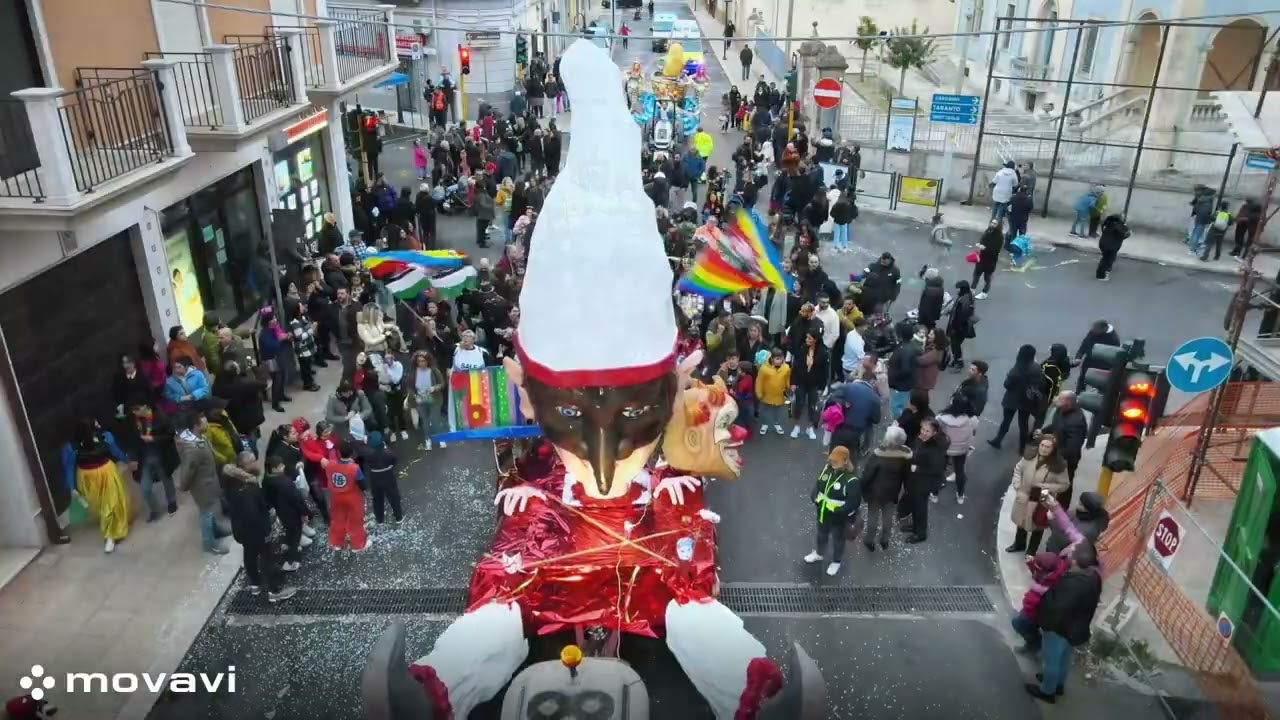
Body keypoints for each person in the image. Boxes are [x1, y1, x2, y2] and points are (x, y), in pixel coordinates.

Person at [1027, 542, 1103, 703]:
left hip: (1058, 628)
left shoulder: (1071, 583)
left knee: (1051, 661)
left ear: (1074, 561)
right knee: (1064, 658)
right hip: (1076, 628)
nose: (1066, 553)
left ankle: (1047, 691)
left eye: (1070, 552)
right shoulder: (1093, 577)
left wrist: (1044, 622)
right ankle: (1058, 684)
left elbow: (1055, 607)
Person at [224, 452, 298, 602]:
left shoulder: (232, 483)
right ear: (245, 466)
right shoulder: (247, 489)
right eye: (253, 461)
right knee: (268, 558)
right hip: (256, 530)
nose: (256, 463)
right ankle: (275, 590)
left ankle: (255, 583)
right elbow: (252, 514)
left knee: (249, 554)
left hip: (241, 529)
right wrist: (265, 531)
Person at [62, 420, 131, 552]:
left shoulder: (105, 437)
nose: (99, 425)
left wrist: (127, 461)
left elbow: (115, 451)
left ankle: (110, 536)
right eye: (95, 424)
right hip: (88, 480)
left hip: (107, 474)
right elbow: (69, 468)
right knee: (99, 505)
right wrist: (71, 488)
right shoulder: (72, 447)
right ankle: (110, 525)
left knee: (110, 504)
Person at [1005, 434, 1070, 556]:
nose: (1044, 449)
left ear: (1053, 449)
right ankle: (1019, 544)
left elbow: (1064, 485)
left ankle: (1031, 551)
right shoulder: (1029, 456)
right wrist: (1017, 485)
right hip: (1024, 495)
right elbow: (1018, 469)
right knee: (1021, 521)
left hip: (1042, 500)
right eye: (1042, 445)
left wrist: (1046, 486)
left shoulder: (1059, 465)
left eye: (1048, 447)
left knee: (1038, 526)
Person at [175, 414, 229, 555]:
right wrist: (183, 486)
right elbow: (188, 470)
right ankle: (209, 544)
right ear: (196, 426)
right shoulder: (193, 449)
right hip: (203, 487)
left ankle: (216, 530)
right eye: (205, 423)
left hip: (209, 482)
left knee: (211, 511)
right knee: (206, 515)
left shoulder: (201, 438)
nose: (208, 425)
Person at [117, 399, 179, 521]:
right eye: (133, 410)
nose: (135, 412)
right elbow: (132, 442)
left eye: (137, 409)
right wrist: (132, 458)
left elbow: (170, 434)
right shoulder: (133, 422)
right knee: (145, 488)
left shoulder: (160, 417)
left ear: (145, 406)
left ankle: (172, 502)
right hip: (144, 459)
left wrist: (154, 439)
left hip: (161, 455)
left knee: (166, 480)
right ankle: (154, 509)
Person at [803, 445, 860, 576]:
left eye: (835, 460)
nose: (831, 462)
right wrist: (814, 497)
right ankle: (819, 553)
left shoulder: (851, 480)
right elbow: (818, 485)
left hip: (838, 519)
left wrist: (837, 511)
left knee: (838, 540)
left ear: (845, 461)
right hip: (822, 513)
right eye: (831, 459)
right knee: (821, 535)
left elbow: (853, 504)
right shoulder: (827, 469)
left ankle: (836, 561)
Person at [859, 425, 912, 551]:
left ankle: (869, 540)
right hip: (892, 491)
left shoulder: (878, 455)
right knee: (888, 516)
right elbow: (907, 474)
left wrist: (861, 487)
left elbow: (867, 475)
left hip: (875, 492)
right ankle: (885, 539)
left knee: (873, 517)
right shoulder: (905, 455)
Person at [261, 453, 313, 571]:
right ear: (274, 468)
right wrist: (305, 513)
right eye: (280, 466)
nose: (283, 467)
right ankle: (290, 562)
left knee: (289, 529)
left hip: (281, 511)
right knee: (296, 535)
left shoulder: (266, 480)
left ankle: (286, 544)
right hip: (292, 513)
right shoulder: (285, 482)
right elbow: (297, 500)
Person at [900, 418, 948, 543]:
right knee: (915, 505)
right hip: (916, 480)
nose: (923, 432)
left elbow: (936, 468)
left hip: (924, 483)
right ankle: (915, 526)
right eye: (923, 429)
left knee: (920, 508)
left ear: (934, 432)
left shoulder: (935, 448)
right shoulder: (922, 439)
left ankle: (921, 533)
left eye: (927, 431)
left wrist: (917, 468)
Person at [989, 344, 1042, 453]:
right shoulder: (1036, 368)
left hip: (1012, 399)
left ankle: (998, 439)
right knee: (1023, 424)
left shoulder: (1017, 369)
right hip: (1027, 400)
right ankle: (1022, 448)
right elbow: (1040, 383)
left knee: (1006, 420)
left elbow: (1007, 385)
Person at [1038, 391, 1088, 504]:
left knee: (1064, 485)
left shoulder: (1077, 422)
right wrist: (1042, 432)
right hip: (1057, 453)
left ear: (1067, 403)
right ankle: (1043, 503)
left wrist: (1054, 454)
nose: (1055, 399)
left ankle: (1062, 507)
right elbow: (1056, 426)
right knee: (1047, 480)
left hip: (1067, 460)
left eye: (1060, 398)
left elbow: (1073, 448)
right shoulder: (1061, 410)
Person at [327, 441, 371, 551]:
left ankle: (336, 543)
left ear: (338, 453)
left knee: (338, 518)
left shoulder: (330, 465)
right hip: (352, 496)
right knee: (355, 520)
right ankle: (357, 545)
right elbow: (362, 484)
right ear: (351, 454)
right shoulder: (354, 468)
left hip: (335, 496)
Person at [936, 398, 978, 504]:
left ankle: (935, 492)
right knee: (960, 471)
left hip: (945, 448)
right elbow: (974, 430)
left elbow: (936, 430)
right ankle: (960, 495)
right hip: (961, 449)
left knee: (940, 468)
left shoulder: (941, 418)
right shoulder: (972, 419)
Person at [788, 330, 828, 440]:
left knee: (812, 405)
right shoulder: (802, 349)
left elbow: (824, 372)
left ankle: (810, 427)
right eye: (806, 338)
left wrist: (822, 387)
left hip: (814, 383)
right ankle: (796, 427)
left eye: (809, 338)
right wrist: (793, 382)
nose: (806, 340)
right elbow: (795, 367)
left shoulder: (823, 353)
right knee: (799, 403)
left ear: (816, 340)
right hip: (801, 381)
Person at [359, 431, 402, 524]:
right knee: (393, 496)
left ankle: (380, 519)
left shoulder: (367, 455)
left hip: (375, 477)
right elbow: (394, 459)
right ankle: (398, 517)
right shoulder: (388, 454)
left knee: (377, 499)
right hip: (388, 476)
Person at [1072, 320, 1120, 395]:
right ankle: (1078, 393)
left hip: (1103, 363)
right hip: (1090, 359)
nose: (1093, 331)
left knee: (1100, 381)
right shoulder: (1093, 331)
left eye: (1096, 329)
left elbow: (1113, 355)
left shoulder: (1113, 339)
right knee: (1082, 378)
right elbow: (1085, 344)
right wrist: (1078, 357)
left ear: (1104, 329)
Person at [885, 324, 920, 418]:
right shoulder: (905, 346)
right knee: (898, 404)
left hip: (901, 385)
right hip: (902, 384)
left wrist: (893, 376)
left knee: (895, 407)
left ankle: (901, 421)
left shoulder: (906, 350)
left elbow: (906, 370)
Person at [755, 348, 791, 435]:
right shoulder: (764, 368)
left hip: (779, 394)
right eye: (777, 359)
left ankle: (777, 423)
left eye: (781, 358)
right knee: (764, 410)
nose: (779, 361)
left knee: (778, 410)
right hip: (766, 394)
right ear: (772, 359)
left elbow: (787, 379)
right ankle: (764, 424)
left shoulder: (786, 368)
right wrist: (759, 393)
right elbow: (759, 381)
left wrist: (788, 388)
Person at [946, 280, 977, 369]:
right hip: (962, 327)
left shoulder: (964, 300)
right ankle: (956, 359)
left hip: (959, 328)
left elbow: (960, 316)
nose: (957, 290)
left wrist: (955, 328)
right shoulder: (966, 296)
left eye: (958, 288)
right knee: (955, 344)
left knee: (955, 344)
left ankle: (959, 361)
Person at [971, 219, 1002, 299]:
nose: (992, 224)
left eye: (995, 223)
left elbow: (996, 250)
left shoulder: (999, 237)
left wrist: (984, 248)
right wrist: (979, 244)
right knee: (976, 275)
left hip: (990, 261)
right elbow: (982, 239)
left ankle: (984, 293)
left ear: (998, 225)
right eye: (992, 222)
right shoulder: (987, 231)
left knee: (987, 277)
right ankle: (972, 289)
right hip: (981, 258)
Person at [1095, 214, 1130, 281]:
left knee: (1107, 258)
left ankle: (1107, 270)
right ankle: (1101, 276)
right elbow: (1122, 236)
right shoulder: (1118, 227)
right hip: (1111, 246)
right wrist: (1128, 234)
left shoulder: (1108, 224)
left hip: (1103, 244)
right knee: (1107, 260)